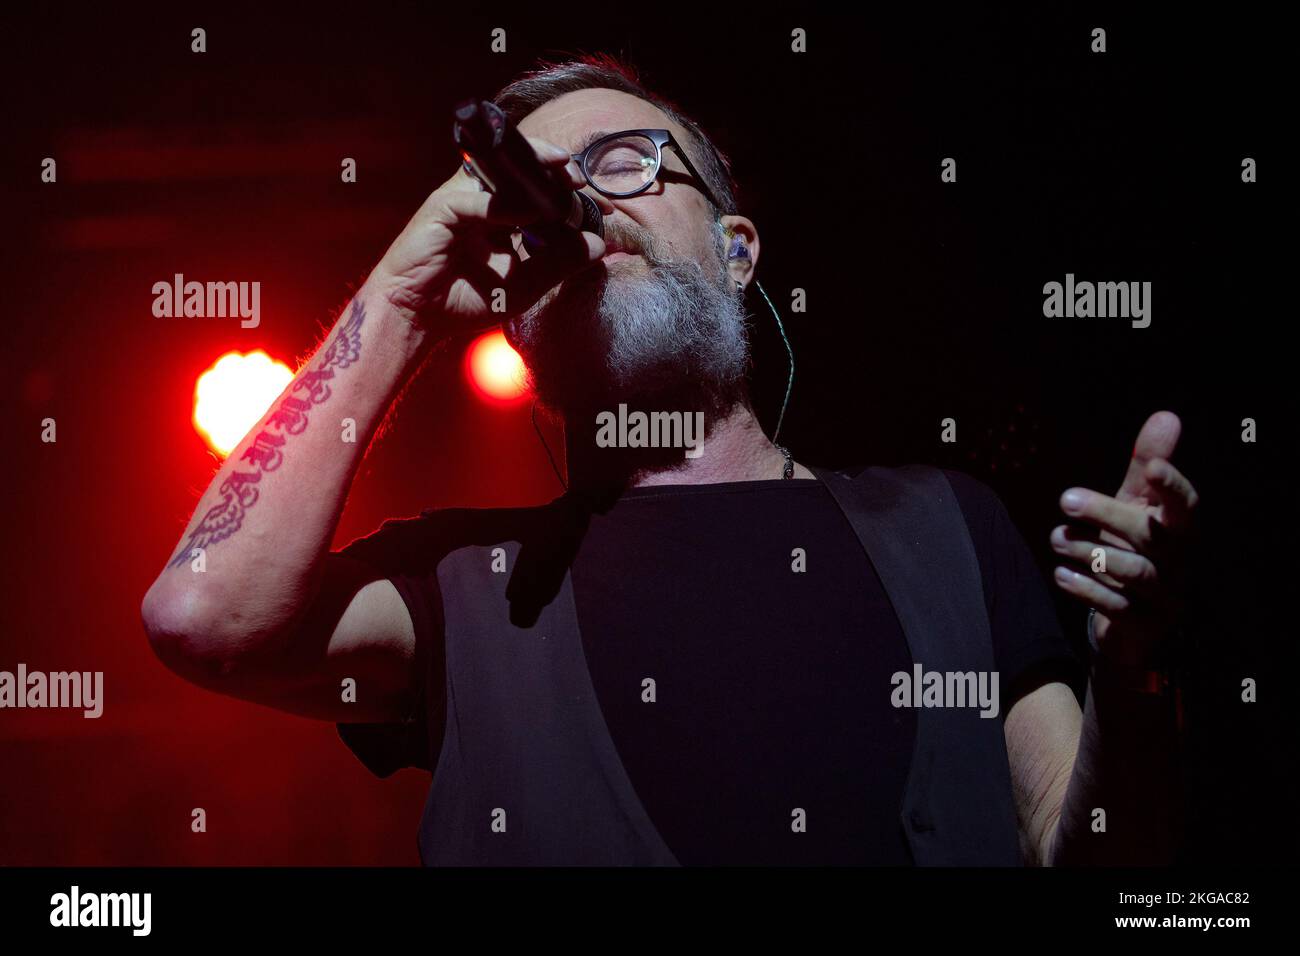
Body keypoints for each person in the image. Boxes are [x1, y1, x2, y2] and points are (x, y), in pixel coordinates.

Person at [141, 54, 1199, 866]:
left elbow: (1095, 858)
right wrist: (404, 295)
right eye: (541, 191)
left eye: (623, 163)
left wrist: (1132, 680)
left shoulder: (944, 525)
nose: (585, 204)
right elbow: (201, 617)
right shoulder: (460, 589)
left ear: (736, 250)